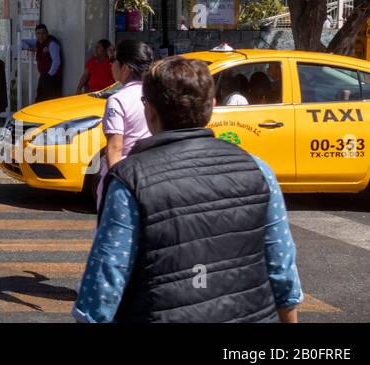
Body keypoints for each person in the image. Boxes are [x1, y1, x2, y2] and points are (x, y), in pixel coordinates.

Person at [73, 56, 303, 323]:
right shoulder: (258, 169)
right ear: (212, 107)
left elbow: (103, 285)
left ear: (150, 112)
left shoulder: (130, 180)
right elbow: (281, 266)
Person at [97, 40, 153, 209]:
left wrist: (113, 185)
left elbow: (115, 148)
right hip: (152, 175)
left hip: (125, 176)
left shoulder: (117, 100)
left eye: (114, 60)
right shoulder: (155, 94)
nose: (110, 65)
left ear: (126, 68)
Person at [24, 23, 63, 101]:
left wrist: (49, 75)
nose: (40, 36)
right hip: (44, 76)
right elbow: (23, 42)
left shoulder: (51, 44)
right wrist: (28, 48)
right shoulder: (38, 43)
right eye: (38, 34)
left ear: (47, 34)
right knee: (41, 99)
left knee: (49, 100)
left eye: (43, 33)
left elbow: (56, 61)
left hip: (52, 78)